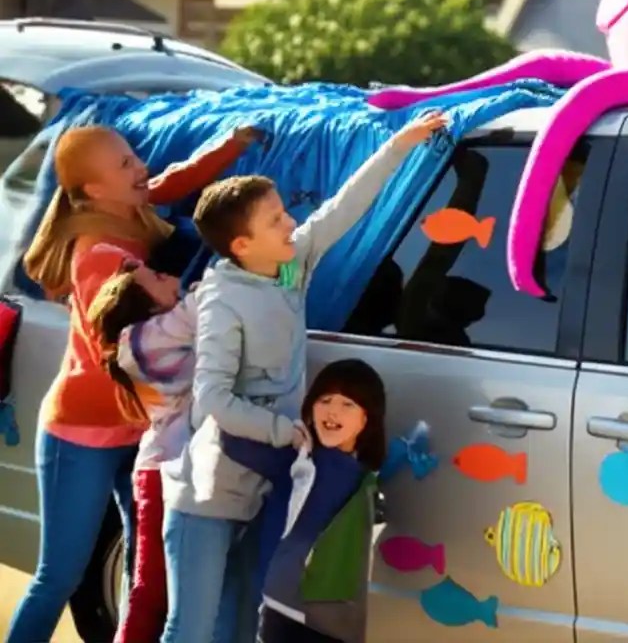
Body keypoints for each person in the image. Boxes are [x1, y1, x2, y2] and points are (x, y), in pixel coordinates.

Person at [159, 112, 448, 643]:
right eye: (275, 220)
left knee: (246, 617)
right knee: (192, 629)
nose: (290, 222)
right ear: (242, 246)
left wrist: (401, 145)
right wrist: (286, 433)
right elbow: (212, 399)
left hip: (269, 485)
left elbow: (346, 206)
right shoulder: (222, 300)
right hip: (210, 491)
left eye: (283, 211)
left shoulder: (290, 266)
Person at [6, 124, 259, 643]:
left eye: (133, 156)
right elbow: (121, 348)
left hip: (137, 430)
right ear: (94, 190)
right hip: (81, 435)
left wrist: (231, 145)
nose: (139, 167)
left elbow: (171, 180)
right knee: (61, 574)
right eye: (124, 165)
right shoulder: (98, 255)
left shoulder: (132, 211)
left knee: (140, 570)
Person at [220, 359, 388, 643]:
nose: (333, 410)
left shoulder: (363, 480)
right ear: (310, 406)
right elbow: (231, 441)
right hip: (287, 609)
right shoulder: (297, 460)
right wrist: (288, 433)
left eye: (348, 404)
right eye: (325, 400)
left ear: (366, 419)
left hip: (320, 615)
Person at [84, 256, 197, 643]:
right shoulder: (145, 339)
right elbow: (211, 297)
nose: (172, 274)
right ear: (148, 306)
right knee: (152, 592)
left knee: (157, 591)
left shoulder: (156, 333)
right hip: (164, 472)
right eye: (159, 276)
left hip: (168, 469)